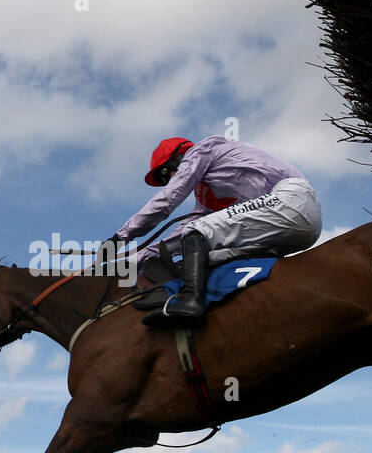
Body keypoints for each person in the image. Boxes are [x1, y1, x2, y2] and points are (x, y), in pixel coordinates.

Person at [110, 136, 322, 326]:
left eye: (167, 174)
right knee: (206, 252)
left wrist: (120, 238)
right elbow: (179, 237)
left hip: (291, 201)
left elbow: (168, 200)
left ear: (178, 158)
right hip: (290, 231)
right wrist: (129, 262)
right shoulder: (206, 196)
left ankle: (191, 302)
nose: (170, 180)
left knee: (197, 231)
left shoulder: (203, 149)